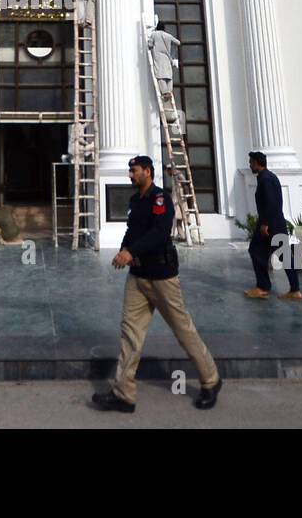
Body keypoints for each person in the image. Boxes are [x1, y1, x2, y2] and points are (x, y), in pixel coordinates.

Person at [91, 155, 221, 413]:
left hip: (162, 277)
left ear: (148, 172)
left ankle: (211, 380)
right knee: (130, 334)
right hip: (138, 277)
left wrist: (132, 252)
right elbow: (132, 230)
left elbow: (159, 233)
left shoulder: (159, 198)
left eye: (134, 171)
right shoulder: (135, 200)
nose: (130, 175)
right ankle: (124, 393)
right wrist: (123, 250)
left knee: (183, 330)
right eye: (129, 171)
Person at [245, 151, 302, 301]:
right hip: (276, 222)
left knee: (256, 250)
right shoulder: (268, 177)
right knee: (279, 254)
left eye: (251, 162)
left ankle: (263, 287)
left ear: (258, 163)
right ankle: (294, 290)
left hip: (270, 224)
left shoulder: (266, 179)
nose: (249, 165)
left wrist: (265, 224)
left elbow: (271, 203)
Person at [147, 21, 181, 101]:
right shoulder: (168, 35)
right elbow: (178, 43)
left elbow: (150, 45)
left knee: (160, 75)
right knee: (168, 76)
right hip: (167, 58)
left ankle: (165, 92)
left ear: (157, 27)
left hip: (158, 57)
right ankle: (169, 91)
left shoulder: (154, 34)